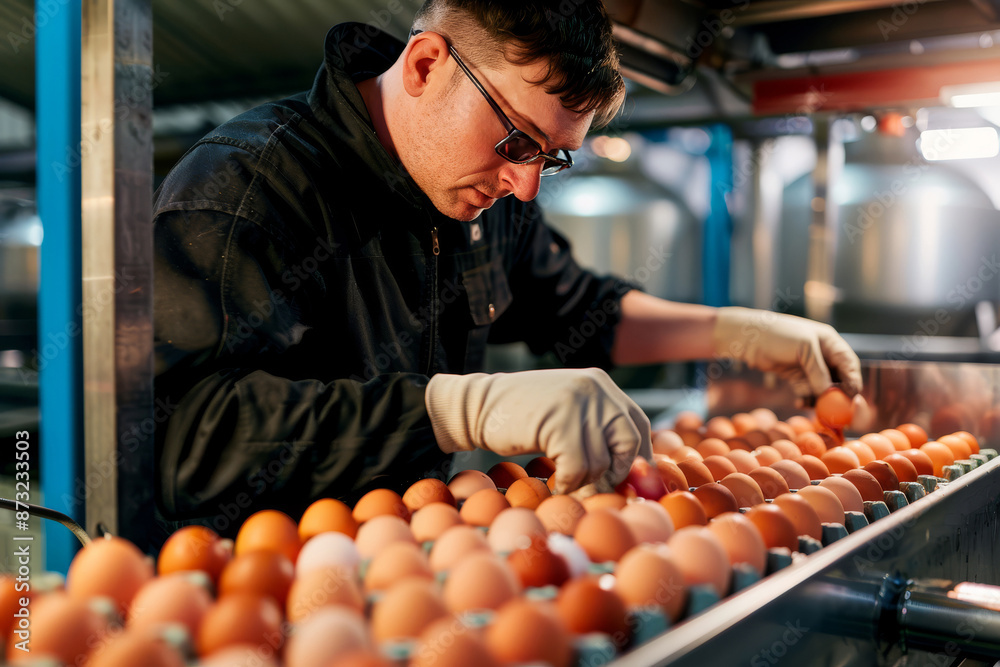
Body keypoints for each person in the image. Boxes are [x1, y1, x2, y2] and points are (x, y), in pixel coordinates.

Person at [152, 0, 861, 524]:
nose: (524, 184)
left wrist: (739, 333)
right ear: (428, 64)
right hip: (275, 582)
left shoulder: (484, 198)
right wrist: (463, 407)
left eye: (550, 159)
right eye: (517, 140)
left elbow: (578, 310)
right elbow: (194, 440)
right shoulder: (249, 187)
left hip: (408, 556)